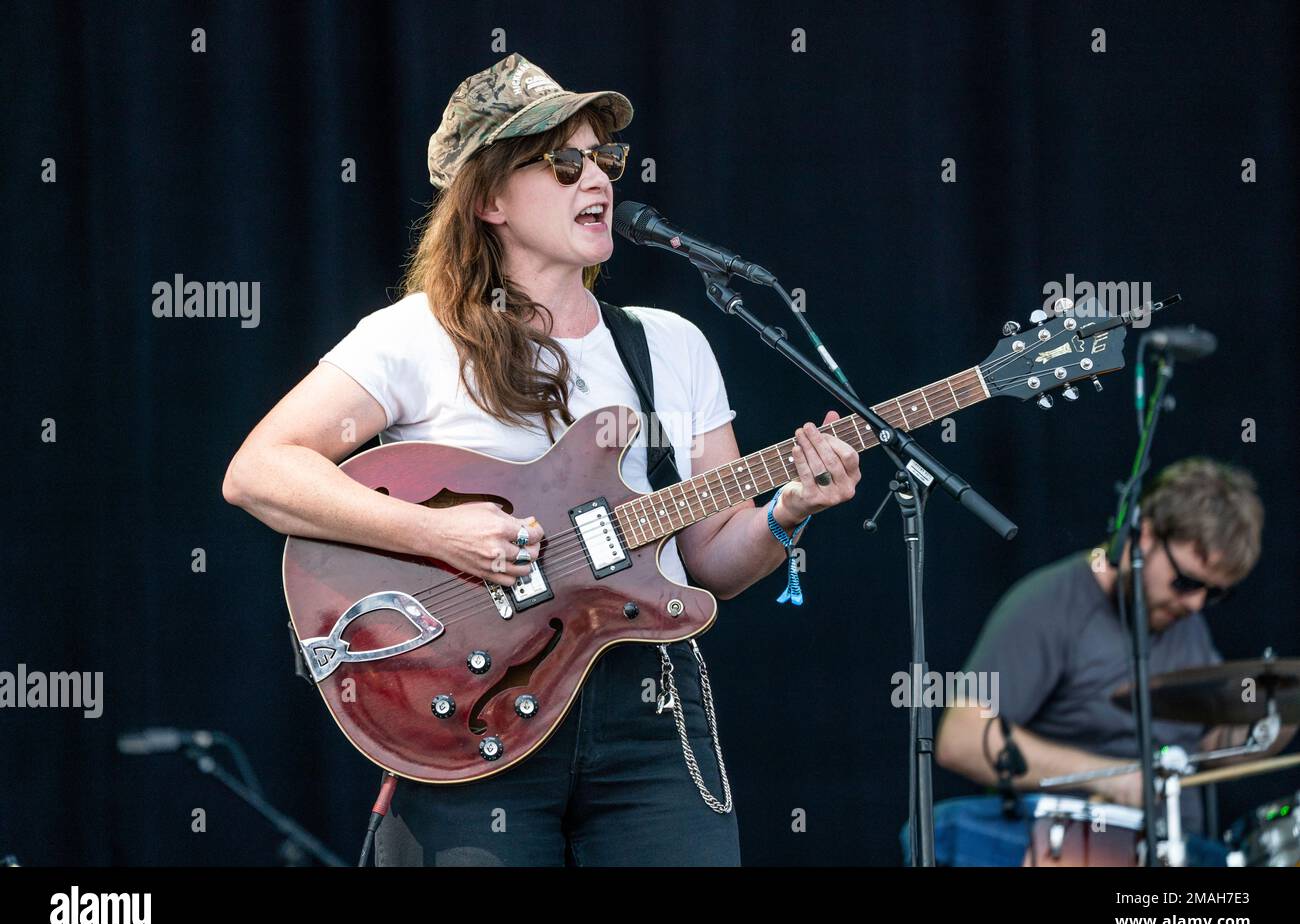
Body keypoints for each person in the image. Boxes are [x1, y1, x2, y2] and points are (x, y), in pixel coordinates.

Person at [222, 53, 861, 866]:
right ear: (488, 197)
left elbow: (709, 562)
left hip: (647, 716)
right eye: (565, 161)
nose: (596, 178)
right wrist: (440, 538)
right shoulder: (416, 337)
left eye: (606, 159)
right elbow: (260, 471)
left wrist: (786, 512)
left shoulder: (670, 344)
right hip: (472, 705)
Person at [924, 457, 1295, 865]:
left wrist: (1286, 713)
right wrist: (1113, 775)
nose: (1196, 603)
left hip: (1180, 847)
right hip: (1077, 848)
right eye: (1186, 581)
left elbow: (1211, 747)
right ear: (1145, 536)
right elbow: (959, 739)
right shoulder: (1050, 603)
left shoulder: (1187, 623)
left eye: (1215, 594)